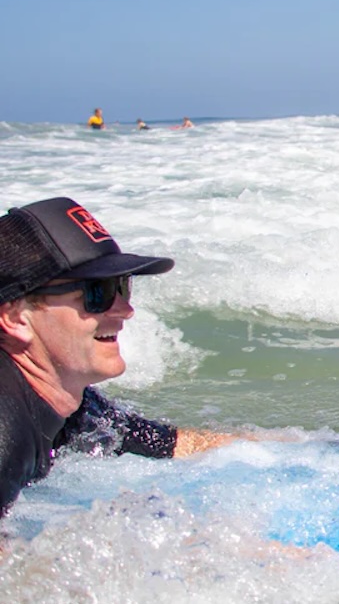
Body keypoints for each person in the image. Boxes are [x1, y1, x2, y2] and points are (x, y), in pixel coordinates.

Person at [0, 197, 237, 516]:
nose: (126, 309)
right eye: (96, 293)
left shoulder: (76, 409)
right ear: (15, 317)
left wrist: (311, 451)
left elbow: (176, 445)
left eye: (122, 286)